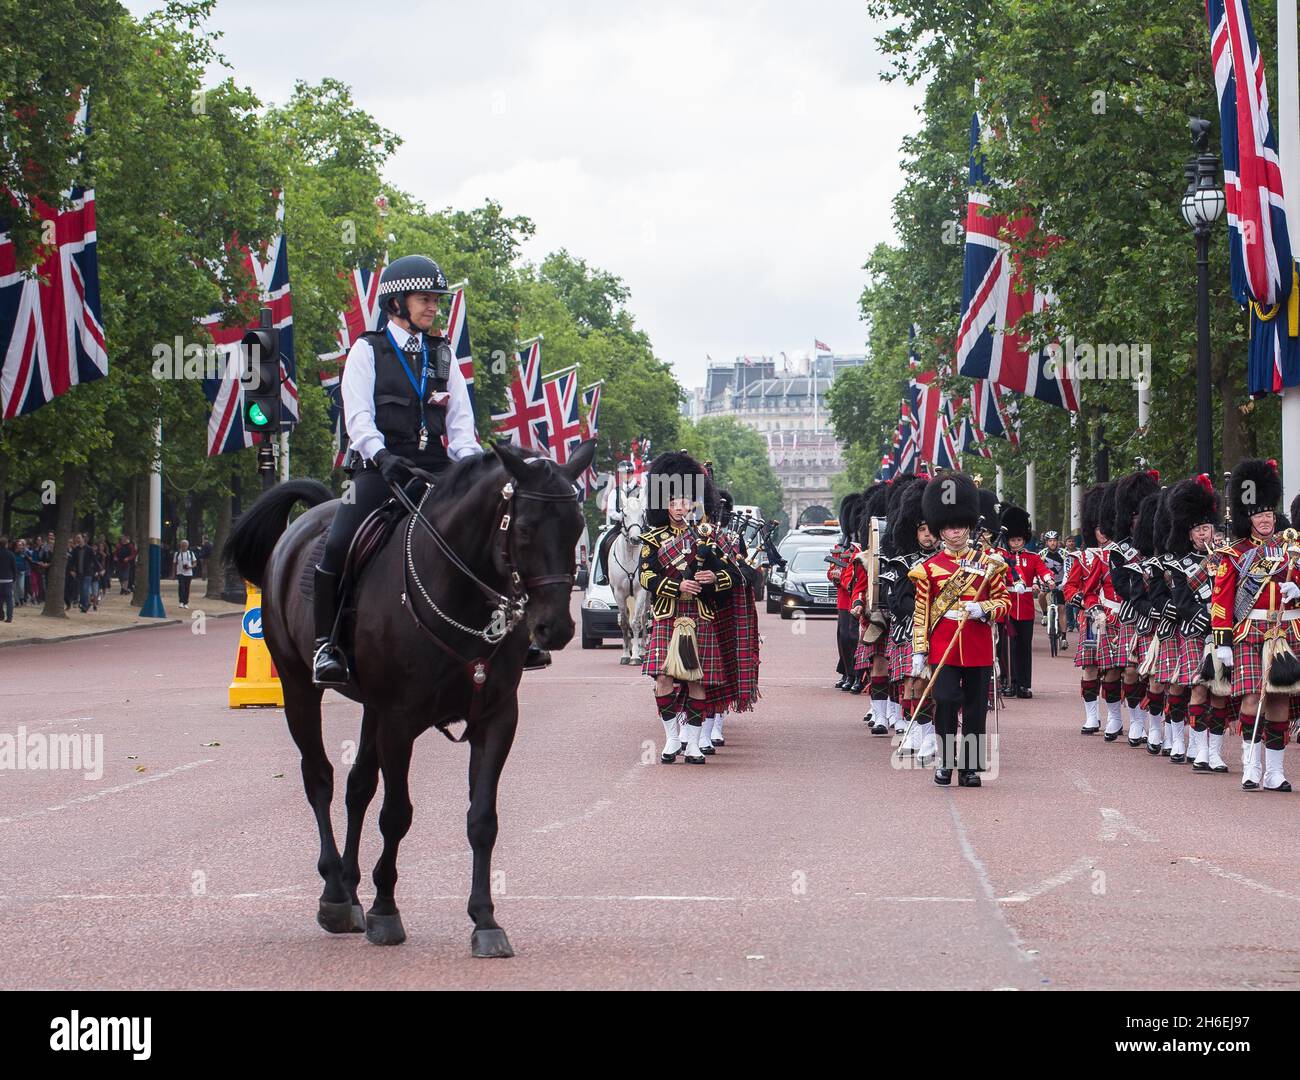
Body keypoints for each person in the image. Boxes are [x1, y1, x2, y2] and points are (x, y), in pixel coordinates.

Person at [313, 255, 482, 687]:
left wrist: (474, 469)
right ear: (396, 304)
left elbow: (462, 430)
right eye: (425, 299)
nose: (433, 308)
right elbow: (359, 419)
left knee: (487, 532)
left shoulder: (444, 356)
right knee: (336, 545)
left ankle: (500, 635)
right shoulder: (366, 352)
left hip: (435, 468)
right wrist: (380, 453)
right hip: (379, 468)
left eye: (436, 301)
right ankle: (325, 647)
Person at [909, 471, 1010, 787]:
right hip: (943, 645)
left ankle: (969, 767)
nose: (955, 531)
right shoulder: (928, 570)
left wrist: (985, 609)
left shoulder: (989, 564)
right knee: (947, 699)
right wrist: (919, 649)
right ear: (941, 530)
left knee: (976, 708)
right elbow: (922, 611)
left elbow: (1004, 602)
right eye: (950, 526)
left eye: (961, 526)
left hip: (977, 645)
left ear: (969, 527)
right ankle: (945, 760)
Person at [640, 450, 735, 764]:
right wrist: (677, 585)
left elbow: (732, 575)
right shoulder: (653, 539)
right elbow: (645, 575)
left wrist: (712, 577)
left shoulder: (707, 537)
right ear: (665, 505)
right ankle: (671, 738)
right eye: (675, 502)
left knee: (697, 680)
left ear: (694, 504)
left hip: (699, 615)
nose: (681, 507)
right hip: (669, 612)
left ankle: (693, 743)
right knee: (662, 680)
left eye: (685, 502)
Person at [1211, 459, 1300, 791]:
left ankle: (1275, 772)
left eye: (1269, 514)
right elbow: (1221, 599)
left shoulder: (1291, 548)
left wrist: (1298, 589)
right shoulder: (1233, 554)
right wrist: (1221, 642)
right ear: (1248, 517)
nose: (1265, 519)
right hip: (1251, 631)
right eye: (1259, 514)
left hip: (1286, 630)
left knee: (1279, 699)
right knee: (1252, 697)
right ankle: (1251, 764)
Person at [1155, 474, 1224, 767]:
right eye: (1198, 529)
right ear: (1189, 532)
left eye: (1207, 528)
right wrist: (1202, 618)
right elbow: (1181, 599)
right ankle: (1199, 749)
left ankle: (1216, 751)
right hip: (1195, 630)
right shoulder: (1180, 565)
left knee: (1220, 692)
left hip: (1222, 632)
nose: (1203, 534)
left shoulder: (1225, 559)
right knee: (1197, 689)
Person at [885, 478, 938, 761]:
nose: (928, 536)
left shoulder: (947, 560)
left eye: (931, 530)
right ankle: (917, 731)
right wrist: (923, 613)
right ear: (914, 533)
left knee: (937, 685)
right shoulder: (904, 562)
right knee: (914, 683)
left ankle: (931, 734)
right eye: (922, 530)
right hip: (913, 628)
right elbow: (898, 600)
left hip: (942, 627)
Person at [999, 505, 1053, 698]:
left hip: (1027, 609)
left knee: (1024, 647)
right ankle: (1009, 681)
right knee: (1008, 646)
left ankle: (1023, 684)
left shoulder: (1033, 557)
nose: (1015, 543)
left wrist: (1048, 580)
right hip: (1008, 607)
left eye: (1019, 539)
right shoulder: (1002, 558)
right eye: (1012, 540)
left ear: (1024, 539)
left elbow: (1043, 571)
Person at [828, 492, 864, 691]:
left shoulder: (862, 550)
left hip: (858, 598)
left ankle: (857, 674)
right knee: (843, 638)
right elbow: (832, 571)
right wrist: (834, 575)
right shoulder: (841, 548)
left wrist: (843, 579)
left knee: (854, 638)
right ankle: (848, 672)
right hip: (844, 600)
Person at [174, 539, 196, 608]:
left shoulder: (191, 553)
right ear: (180, 546)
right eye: (182, 545)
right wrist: (173, 574)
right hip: (180, 572)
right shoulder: (177, 554)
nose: (184, 547)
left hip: (189, 573)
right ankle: (181, 602)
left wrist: (190, 566)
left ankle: (185, 602)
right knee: (181, 587)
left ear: (187, 546)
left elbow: (195, 562)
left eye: (185, 546)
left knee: (187, 588)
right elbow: (174, 563)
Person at [0, 538, 15, 622]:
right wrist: (14, 577)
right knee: (9, 600)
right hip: (8, 579)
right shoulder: (11, 554)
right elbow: (14, 567)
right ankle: (9, 617)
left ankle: (1, 615)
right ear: (6, 544)